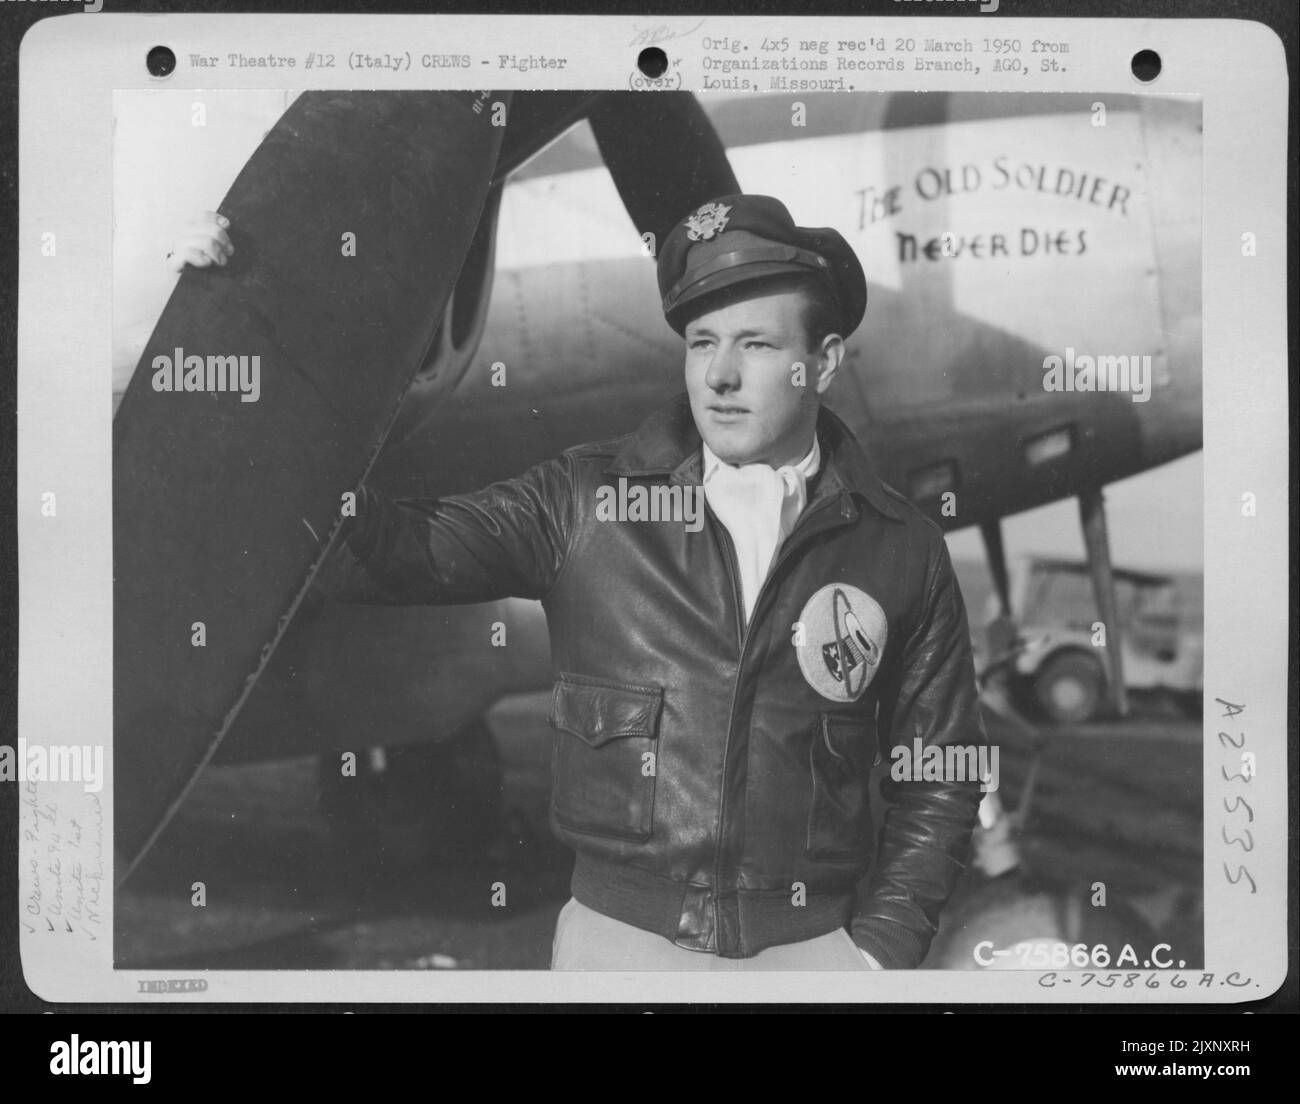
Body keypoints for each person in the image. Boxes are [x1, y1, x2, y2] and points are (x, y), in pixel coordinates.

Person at [171, 193, 987, 971]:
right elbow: (388, 548)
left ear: (826, 360)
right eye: (702, 343)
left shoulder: (899, 548)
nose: (719, 376)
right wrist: (238, 358)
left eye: (758, 345)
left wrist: (878, 952)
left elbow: (943, 773)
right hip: (618, 952)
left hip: (815, 953)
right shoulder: (583, 500)